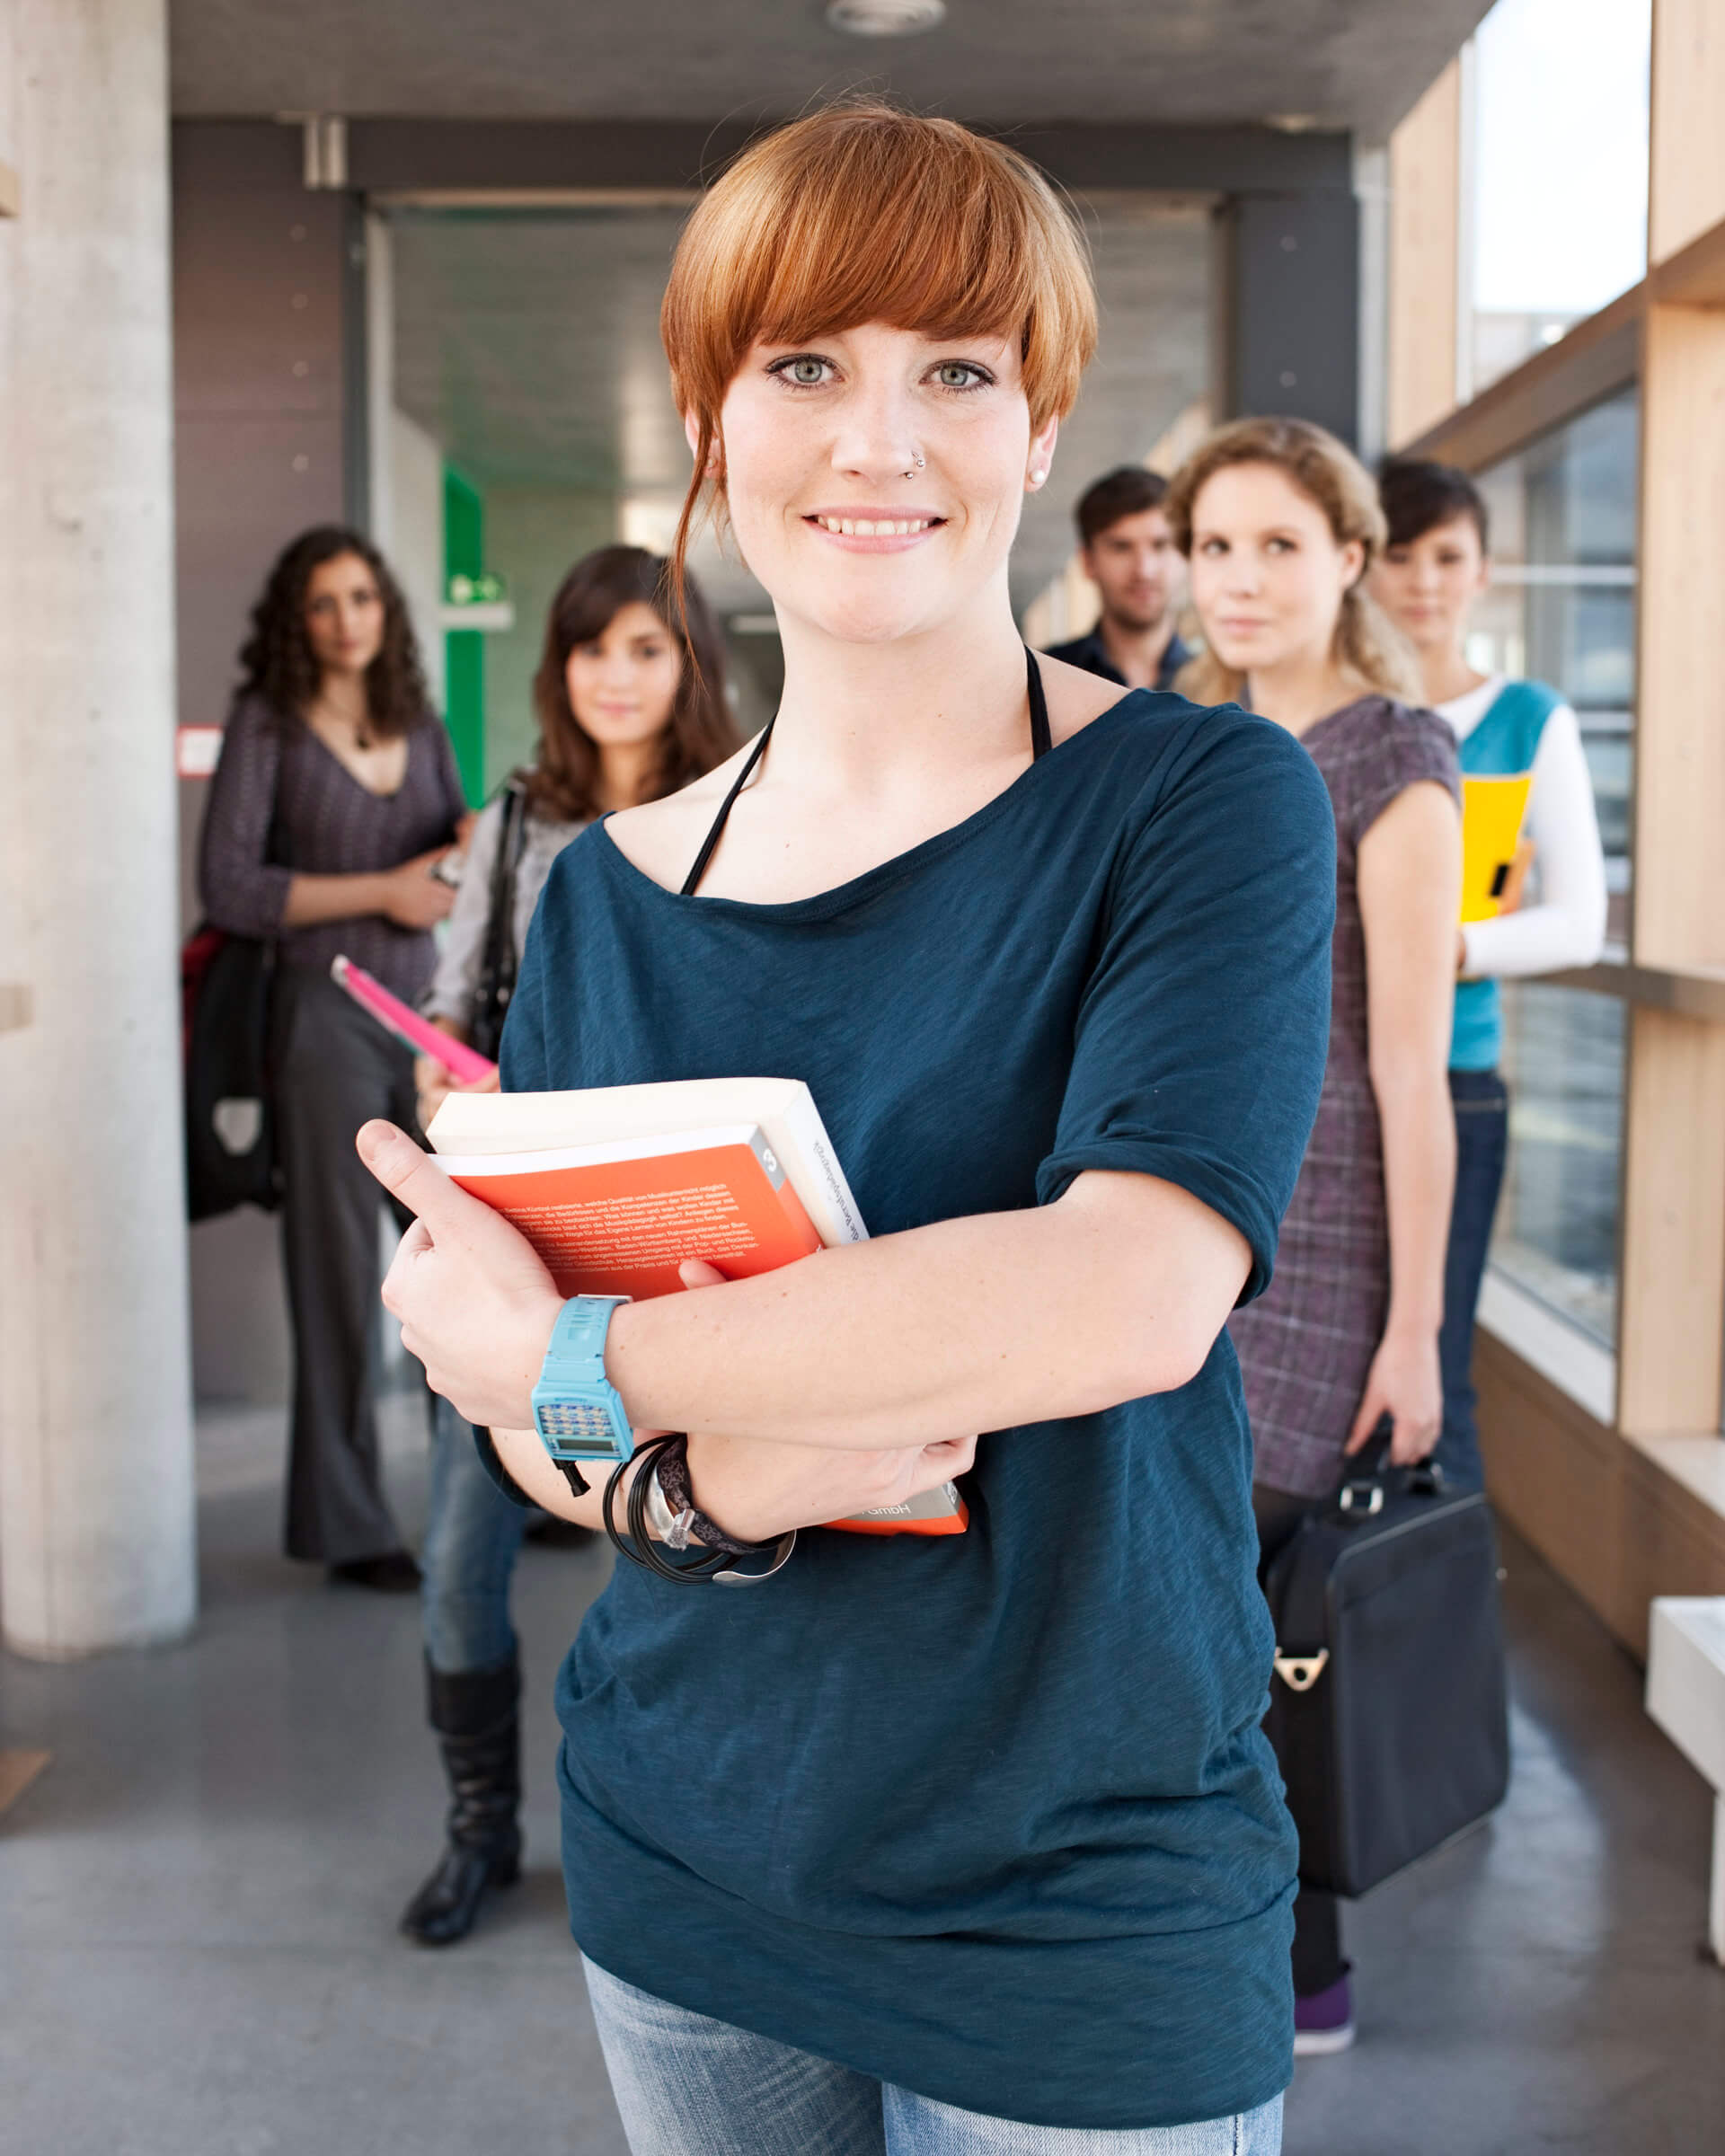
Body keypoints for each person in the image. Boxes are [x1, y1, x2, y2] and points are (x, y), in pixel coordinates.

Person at [359, 102, 1336, 2154]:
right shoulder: (606, 893)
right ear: (709, 421)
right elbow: (547, 1461)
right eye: (804, 364)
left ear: (1040, 429)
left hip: (1085, 1888)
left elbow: (1123, 1292)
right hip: (683, 1850)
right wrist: (701, 1474)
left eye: (956, 372)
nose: (879, 441)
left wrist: (575, 1355)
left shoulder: (1196, 803)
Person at [1167, 417, 1463, 2059]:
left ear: (1350, 558)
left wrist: (1415, 1332)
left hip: (1329, 1235)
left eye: (1278, 545)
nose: (1239, 579)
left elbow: (1410, 1069)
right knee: (1188, 1588)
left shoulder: (1393, 759)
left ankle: (1304, 1968)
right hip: (1186, 1219)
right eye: (1215, 545)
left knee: (1275, 1612)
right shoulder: (1194, 743)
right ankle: (1212, 1940)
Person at [400, 544, 737, 1948]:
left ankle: (649, 1834)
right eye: (594, 647)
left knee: (654, 1552)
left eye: (646, 647)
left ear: (689, 663)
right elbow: (447, 1010)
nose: (616, 675)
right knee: (458, 1555)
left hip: (665, 1246)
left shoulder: (744, 811)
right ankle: (480, 1827)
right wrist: (446, 1084)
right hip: (506, 1239)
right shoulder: (516, 821)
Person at [199, 527, 470, 1590]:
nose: (347, 619)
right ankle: (348, 1525)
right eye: (323, 602)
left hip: (430, 1020)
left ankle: (501, 1488)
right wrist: (383, 892)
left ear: (384, 609)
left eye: (362, 597)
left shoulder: (418, 719)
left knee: (466, 1257)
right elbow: (229, 885)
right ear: (296, 619)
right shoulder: (267, 723)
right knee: (338, 1275)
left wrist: (468, 846)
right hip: (321, 1015)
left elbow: (450, 846)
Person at [1369, 457, 1607, 1492]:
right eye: (1401, 555)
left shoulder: (1528, 718)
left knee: (1432, 1366)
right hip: (1321, 1075)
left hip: (1454, 1077)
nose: (1424, 581)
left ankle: (1432, 1578)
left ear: (1485, 572)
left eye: (1447, 557)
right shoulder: (1339, 714)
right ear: (1363, 566)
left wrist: (1440, 943)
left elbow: (1578, 924)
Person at [1043, 464, 1191, 691]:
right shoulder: (1044, 680)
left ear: (1184, 554)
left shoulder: (1227, 686)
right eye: (1121, 547)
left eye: (1160, 545)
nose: (1144, 570)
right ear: (1088, 562)